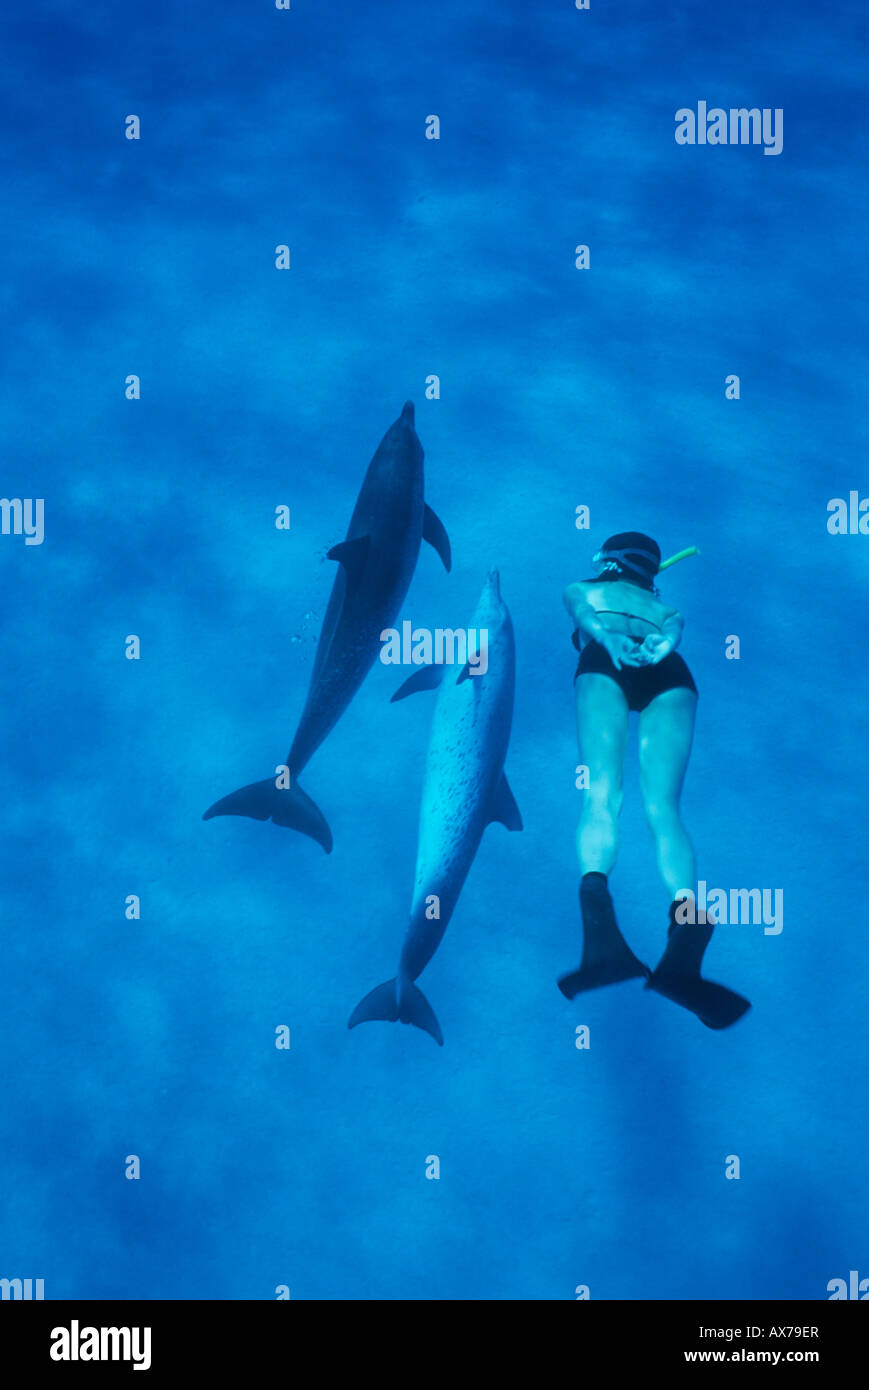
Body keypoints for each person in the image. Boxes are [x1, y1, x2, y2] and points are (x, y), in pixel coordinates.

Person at [558, 531, 749, 1028]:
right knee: (665, 809)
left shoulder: (583, 587)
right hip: (671, 673)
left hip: (605, 659)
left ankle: (601, 939)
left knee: (602, 797)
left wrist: (606, 636)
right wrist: (660, 643)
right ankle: (684, 950)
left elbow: (583, 617)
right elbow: (672, 634)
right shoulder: (664, 609)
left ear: (605, 560)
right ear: (651, 572)